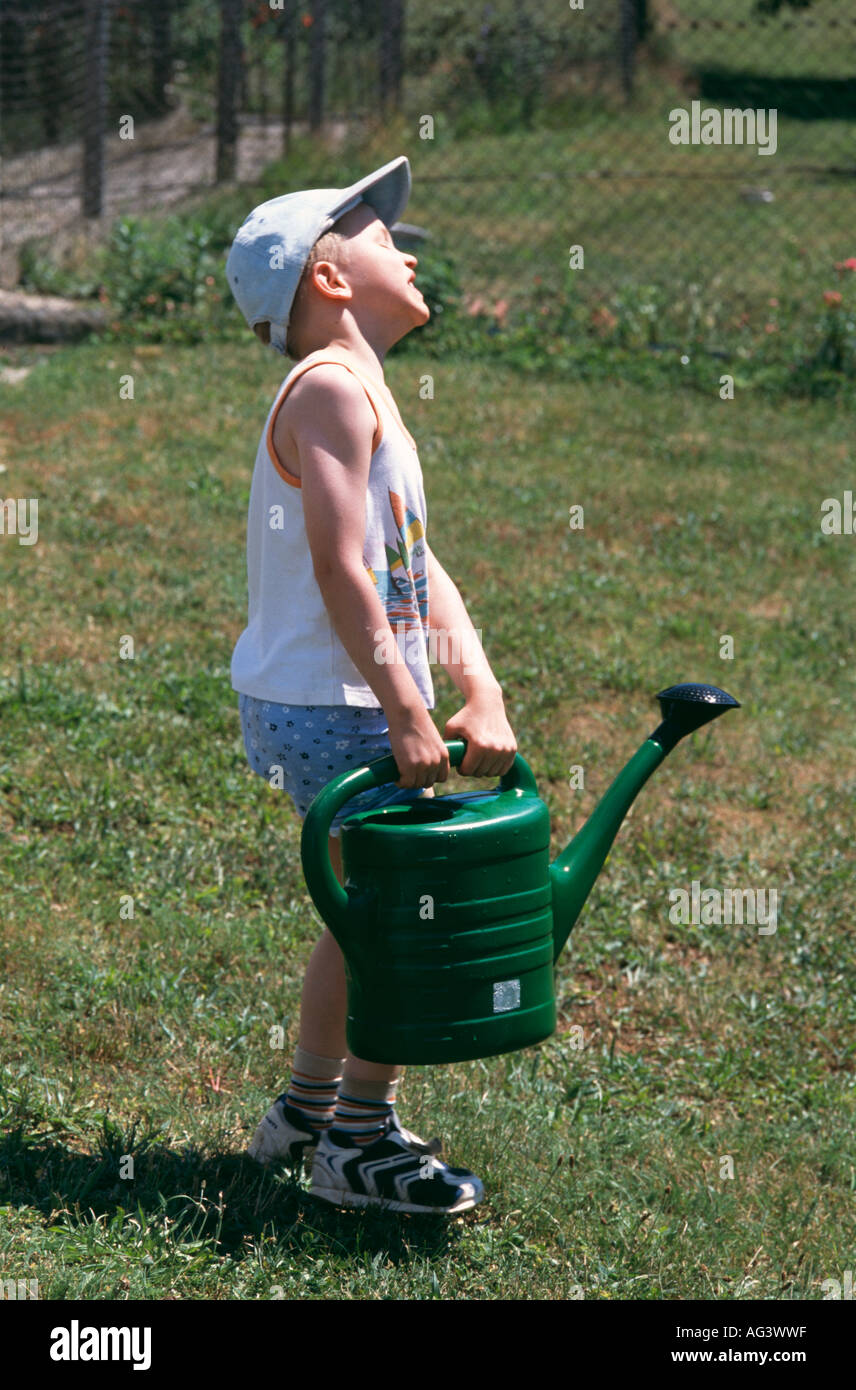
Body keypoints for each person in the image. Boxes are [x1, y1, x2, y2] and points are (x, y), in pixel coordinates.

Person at [225, 155, 517, 1215]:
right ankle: (357, 1140)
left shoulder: (364, 395)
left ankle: (309, 1106)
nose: (403, 239)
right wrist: (405, 706)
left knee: (366, 915)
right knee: (403, 920)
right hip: (333, 708)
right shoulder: (332, 395)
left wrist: (474, 683)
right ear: (331, 281)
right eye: (378, 232)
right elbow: (343, 569)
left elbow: (413, 564)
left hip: (337, 701)